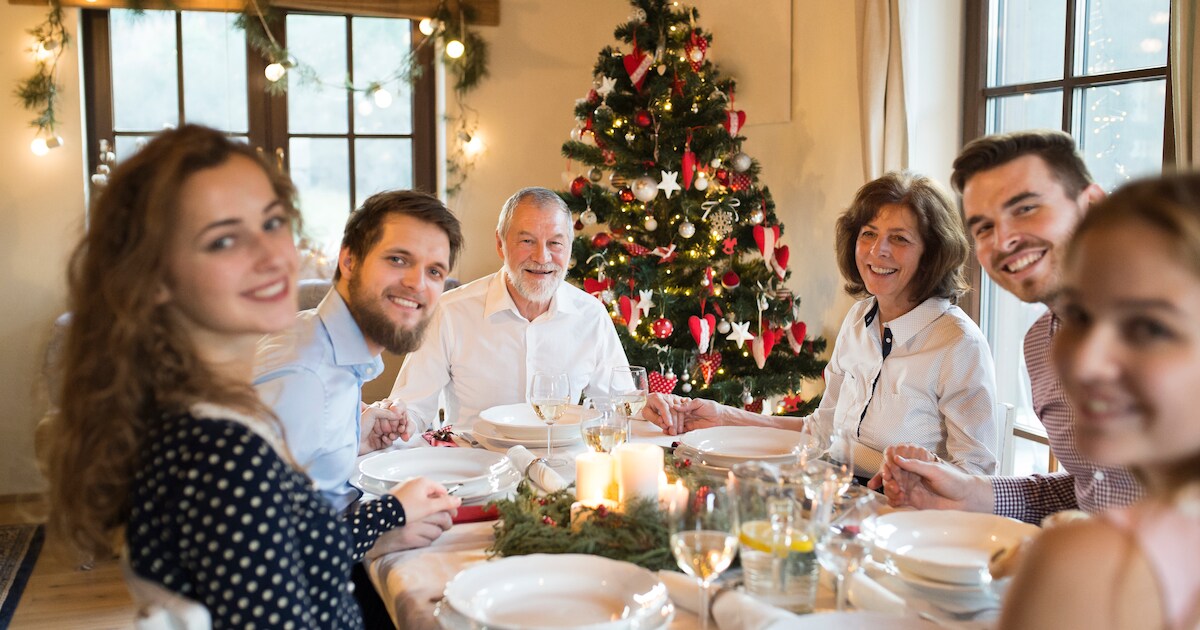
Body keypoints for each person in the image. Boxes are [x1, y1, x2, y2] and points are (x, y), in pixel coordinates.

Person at [40, 125, 460, 628]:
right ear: (152, 278)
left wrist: (374, 504)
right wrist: (386, 516)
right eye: (223, 239)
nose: (271, 256)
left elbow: (280, 548)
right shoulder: (225, 449)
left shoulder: (209, 416)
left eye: (272, 223)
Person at [646, 171, 999, 477]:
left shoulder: (958, 344)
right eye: (869, 233)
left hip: (905, 521)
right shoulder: (859, 319)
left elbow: (975, 477)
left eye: (900, 238)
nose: (878, 251)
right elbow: (822, 431)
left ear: (932, 253)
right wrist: (722, 416)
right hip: (834, 496)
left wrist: (906, 474)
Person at [877, 130, 1144, 523]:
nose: (1004, 240)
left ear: (1092, 206)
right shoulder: (1041, 344)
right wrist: (970, 493)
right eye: (984, 227)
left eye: (1025, 209)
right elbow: (1097, 487)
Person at [998, 173, 1200, 630]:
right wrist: (982, 493)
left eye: (1148, 328)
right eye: (1080, 314)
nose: (1087, 362)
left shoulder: (1090, 566)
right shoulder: (1037, 344)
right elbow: (1092, 484)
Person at [255, 189, 464, 515]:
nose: (417, 283)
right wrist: (383, 526)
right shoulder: (304, 377)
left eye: (434, 271)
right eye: (398, 259)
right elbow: (260, 538)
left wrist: (352, 440)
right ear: (349, 260)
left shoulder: (317, 341)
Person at [388, 186, 628, 430]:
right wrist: (395, 420)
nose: (542, 257)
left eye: (555, 243)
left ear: (569, 247)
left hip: (562, 464)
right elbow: (412, 410)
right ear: (500, 244)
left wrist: (650, 409)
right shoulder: (448, 312)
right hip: (474, 464)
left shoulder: (591, 315)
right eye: (527, 241)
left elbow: (620, 409)